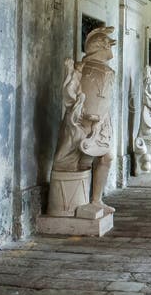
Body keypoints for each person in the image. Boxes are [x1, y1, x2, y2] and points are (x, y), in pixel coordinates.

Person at [50, 25, 116, 215]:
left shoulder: (107, 70)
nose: (110, 49)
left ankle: (96, 200)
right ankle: (81, 204)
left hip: (101, 122)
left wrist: (103, 119)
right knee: (82, 160)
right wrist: (72, 73)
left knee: (106, 157)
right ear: (100, 47)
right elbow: (69, 94)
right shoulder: (82, 68)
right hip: (80, 122)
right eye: (108, 45)